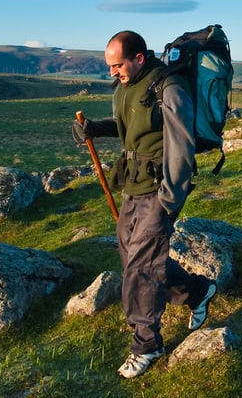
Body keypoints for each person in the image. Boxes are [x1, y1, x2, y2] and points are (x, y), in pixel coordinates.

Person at [72, 30, 217, 378]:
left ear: (138, 58)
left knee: (140, 269)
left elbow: (181, 145)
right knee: (132, 255)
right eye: (109, 66)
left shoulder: (168, 87)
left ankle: (147, 345)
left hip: (159, 189)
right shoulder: (126, 87)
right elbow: (128, 128)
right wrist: (94, 128)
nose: (112, 73)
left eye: (117, 65)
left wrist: (171, 198)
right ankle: (197, 291)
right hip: (132, 185)